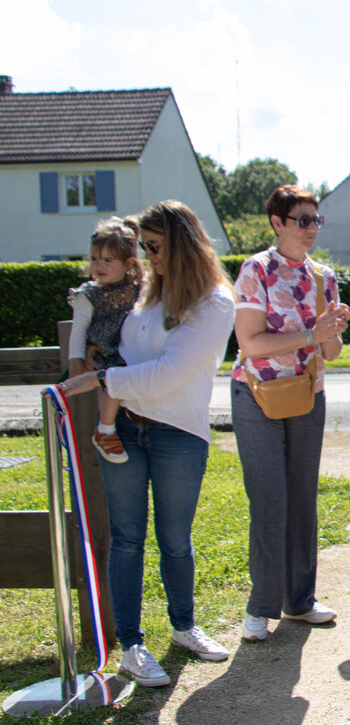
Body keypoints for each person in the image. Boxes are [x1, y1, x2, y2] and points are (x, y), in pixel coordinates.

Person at [55, 200, 235, 687]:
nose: (147, 256)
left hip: (178, 431)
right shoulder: (148, 292)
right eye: (144, 247)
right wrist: (93, 350)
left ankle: (183, 627)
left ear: (178, 244)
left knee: (175, 539)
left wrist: (103, 378)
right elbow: (115, 334)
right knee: (128, 538)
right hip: (126, 427)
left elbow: (169, 375)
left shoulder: (214, 302)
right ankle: (132, 646)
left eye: (154, 247)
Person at [232, 185, 350, 641]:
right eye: (302, 220)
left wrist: (332, 331)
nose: (310, 229)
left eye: (315, 220)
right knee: (270, 502)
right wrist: (310, 332)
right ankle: (260, 608)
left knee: (302, 498)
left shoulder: (323, 275)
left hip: (307, 394)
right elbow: (251, 343)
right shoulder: (255, 270)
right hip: (258, 395)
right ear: (277, 223)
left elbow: (333, 353)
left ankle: (299, 601)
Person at [68, 216, 144, 463]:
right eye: (94, 259)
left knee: (123, 380)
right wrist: (76, 362)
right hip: (107, 352)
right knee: (114, 380)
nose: (98, 265)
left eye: (108, 260)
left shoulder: (138, 288)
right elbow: (78, 330)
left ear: (128, 263)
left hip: (130, 349)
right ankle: (105, 429)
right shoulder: (88, 294)